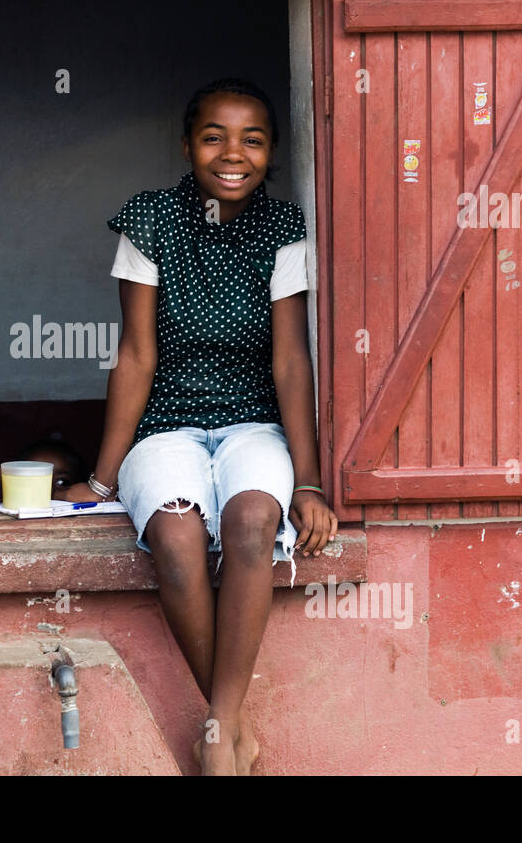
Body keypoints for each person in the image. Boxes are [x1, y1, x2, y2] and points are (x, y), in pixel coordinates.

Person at [62, 79, 339, 774]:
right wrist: (101, 476)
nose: (232, 152)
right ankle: (232, 723)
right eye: (214, 135)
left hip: (254, 425)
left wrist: (306, 480)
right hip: (165, 427)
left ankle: (217, 726)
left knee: (251, 520)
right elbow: (135, 355)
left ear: (272, 152)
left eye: (253, 138)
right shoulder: (150, 219)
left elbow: (289, 361)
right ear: (188, 144)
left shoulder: (283, 228)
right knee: (178, 531)